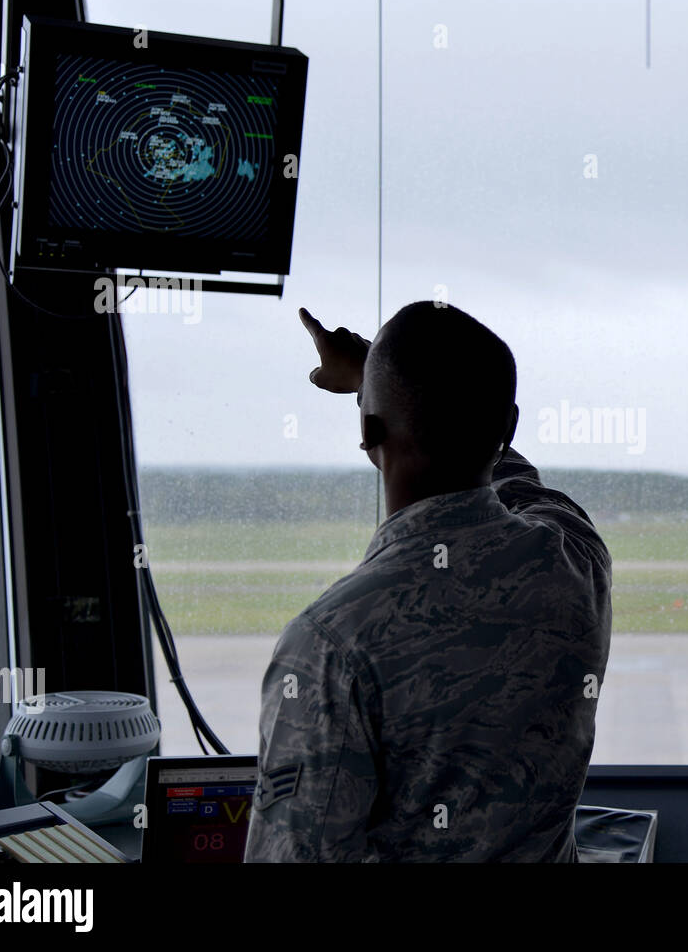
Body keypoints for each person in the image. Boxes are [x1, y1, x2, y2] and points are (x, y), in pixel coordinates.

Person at [244, 301, 612, 861]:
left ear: (368, 432)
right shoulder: (577, 562)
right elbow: (520, 484)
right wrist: (381, 379)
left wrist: (376, 382)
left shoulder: (330, 645)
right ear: (508, 428)